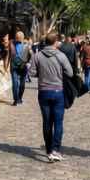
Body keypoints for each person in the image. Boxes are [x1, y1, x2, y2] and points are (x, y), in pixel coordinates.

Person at [28, 33, 73, 161]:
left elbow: (32, 72)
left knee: (47, 121)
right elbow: (70, 73)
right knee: (58, 122)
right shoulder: (61, 56)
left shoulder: (38, 55)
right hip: (58, 91)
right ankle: (55, 150)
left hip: (43, 91)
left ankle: (48, 148)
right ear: (56, 42)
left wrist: (42, 72)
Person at [10, 32, 33, 105]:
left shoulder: (12, 44)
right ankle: (20, 98)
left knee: (15, 82)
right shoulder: (26, 45)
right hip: (23, 64)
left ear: (15, 37)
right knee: (22, 82)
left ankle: (15, 100)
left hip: (14, 63)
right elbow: (30, 55)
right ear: (23, 37)